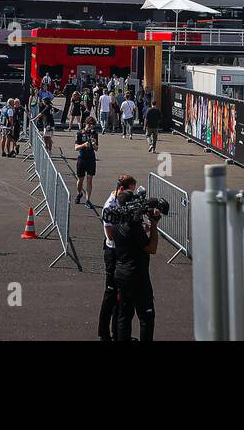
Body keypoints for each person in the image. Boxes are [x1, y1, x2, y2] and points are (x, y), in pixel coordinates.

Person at [111, 187, 160, 342]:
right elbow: (152, 248)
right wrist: (153, 223)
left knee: (124, 315)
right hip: (137, 277)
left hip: (121, 274)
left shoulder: (117, 223)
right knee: (147, 317)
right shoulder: (133, 228)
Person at [98, 173, 138, 340]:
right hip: (113, 252)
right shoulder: (109, 205)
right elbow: (110, 235)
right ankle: (104, 333)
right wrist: (126, 235)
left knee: (120, 296)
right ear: (121, 189)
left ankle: (117, 332)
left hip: (122, 252)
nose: (132, 195)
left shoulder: (126, 202)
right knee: (110, 293)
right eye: (130, 191)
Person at [74, 116, 99, 205]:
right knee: (80, 179)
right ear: (85, 124)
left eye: (92, 125)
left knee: (89, 179)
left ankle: (88, 200)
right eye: (89, 124)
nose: (91, 126)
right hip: (82, 158)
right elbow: (76, 148)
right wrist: (84, 145)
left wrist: (94, 144)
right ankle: (79, 193)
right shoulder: (80, 133)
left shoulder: (94, 133)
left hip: (91, 159)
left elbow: (96, 149)